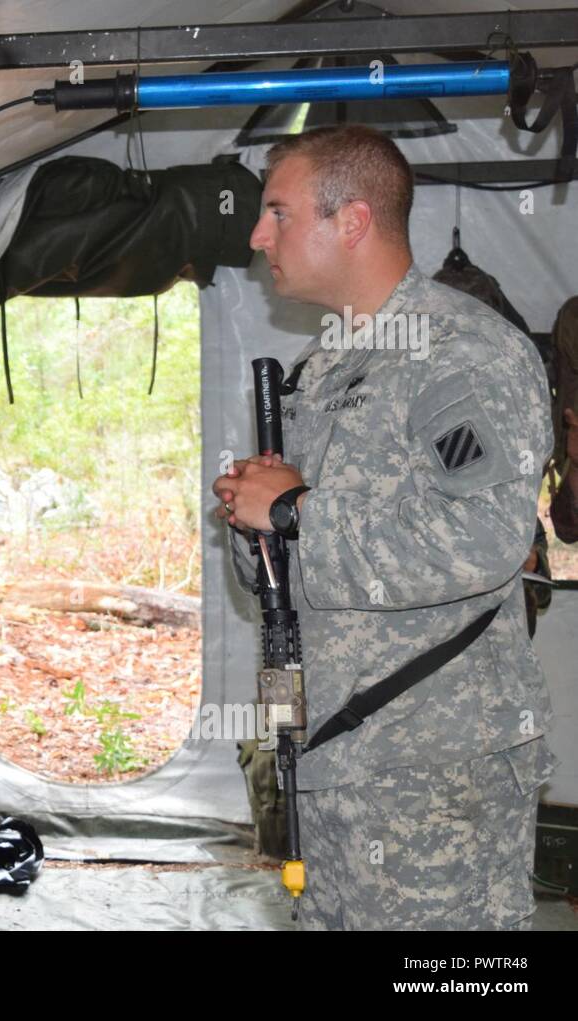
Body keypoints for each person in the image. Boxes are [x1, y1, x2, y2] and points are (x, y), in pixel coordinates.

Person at [212, 125, 557, 930]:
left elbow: (483, 537)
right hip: (336, 754)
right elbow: (288, 568)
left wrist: (296, 510)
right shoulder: (328, 367)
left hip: (434, 772)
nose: (259, 235)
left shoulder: (460, 354)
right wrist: (252, 518)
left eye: (278, 213)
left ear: (353, 221)